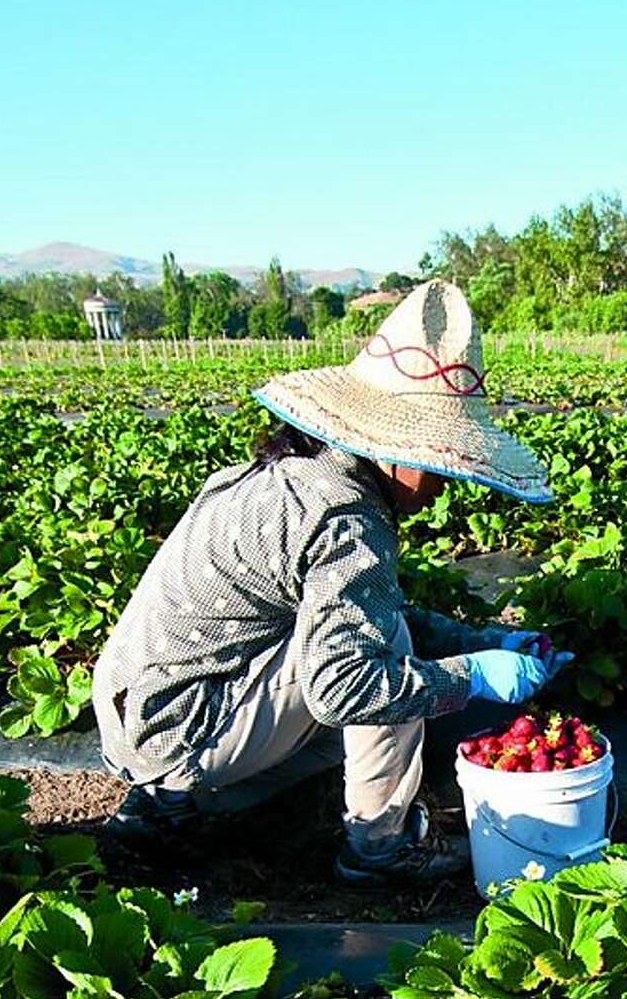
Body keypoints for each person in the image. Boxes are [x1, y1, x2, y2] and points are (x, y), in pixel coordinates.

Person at [91, 280, 569, 884]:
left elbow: (360, 610)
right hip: (185, 729)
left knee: (370, 644)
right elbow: (345, 685)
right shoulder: (347, 516)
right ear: (397, 450)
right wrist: (471, 676)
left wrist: (481, 640)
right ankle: (380, 849)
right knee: (379, 665)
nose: (448, 486)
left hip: (141, 715)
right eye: (442, 465)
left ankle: (180, 804)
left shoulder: (280, 476)